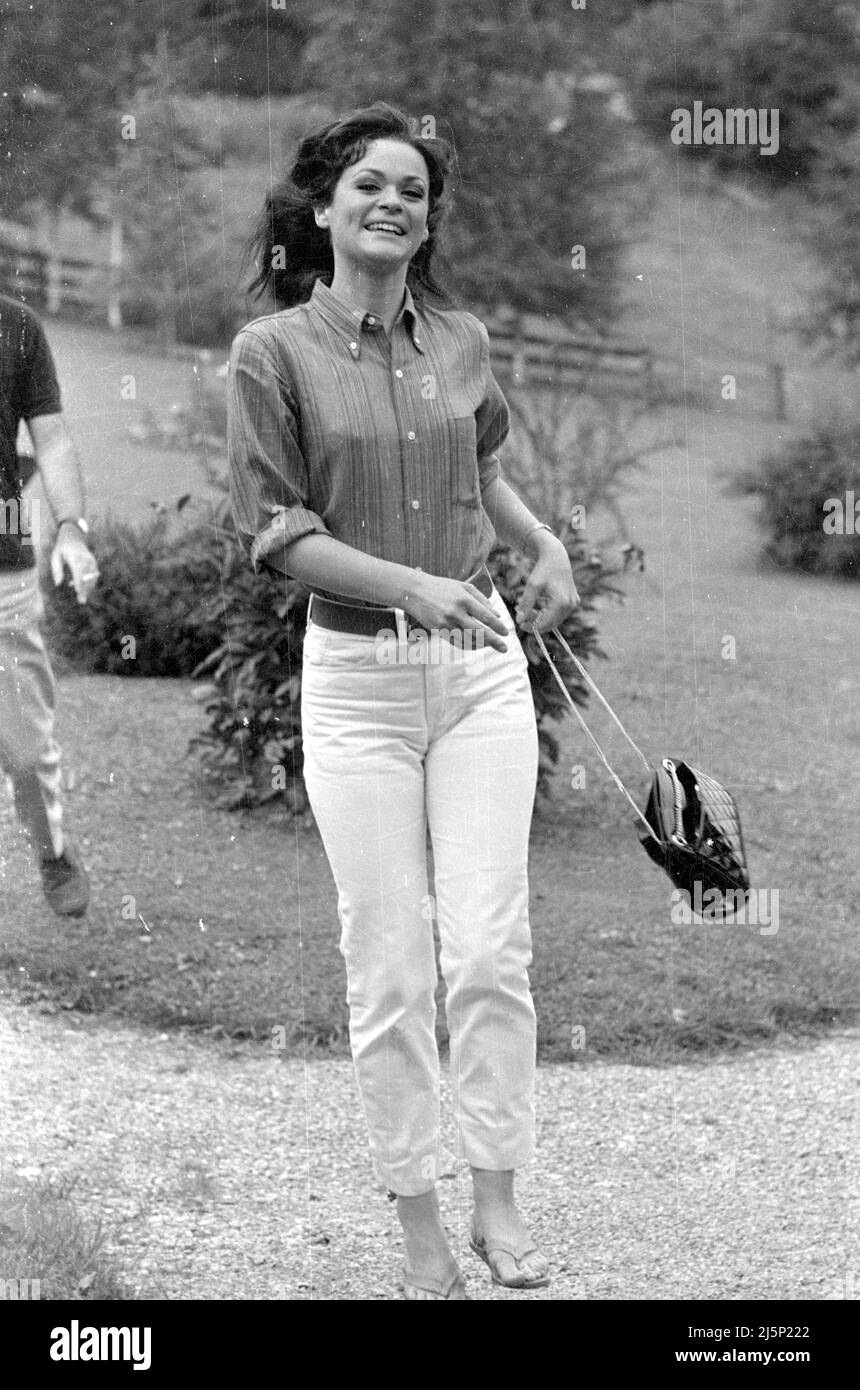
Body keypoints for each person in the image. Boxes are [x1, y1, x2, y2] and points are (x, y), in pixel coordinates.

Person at [228, 103, 579, 1300]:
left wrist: (542, 546)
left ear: (425, 225)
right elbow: (279, 536)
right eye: (370, 185)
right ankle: (418, 1222)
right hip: (357, 688)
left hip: (477, 678)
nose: (393, 203)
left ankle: (496, 1200)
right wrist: (415, 586)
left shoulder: (462, 341)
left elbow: (477, 463)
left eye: (414, 193)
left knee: (487, 950)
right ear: (323, 207)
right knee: (388, 965)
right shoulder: (270, 353)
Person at [0, 292, 98, 917]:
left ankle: (53, 850)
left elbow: (52, 441)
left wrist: (69, 529)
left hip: (1, 579)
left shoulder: (17, 327)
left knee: (27, 753)